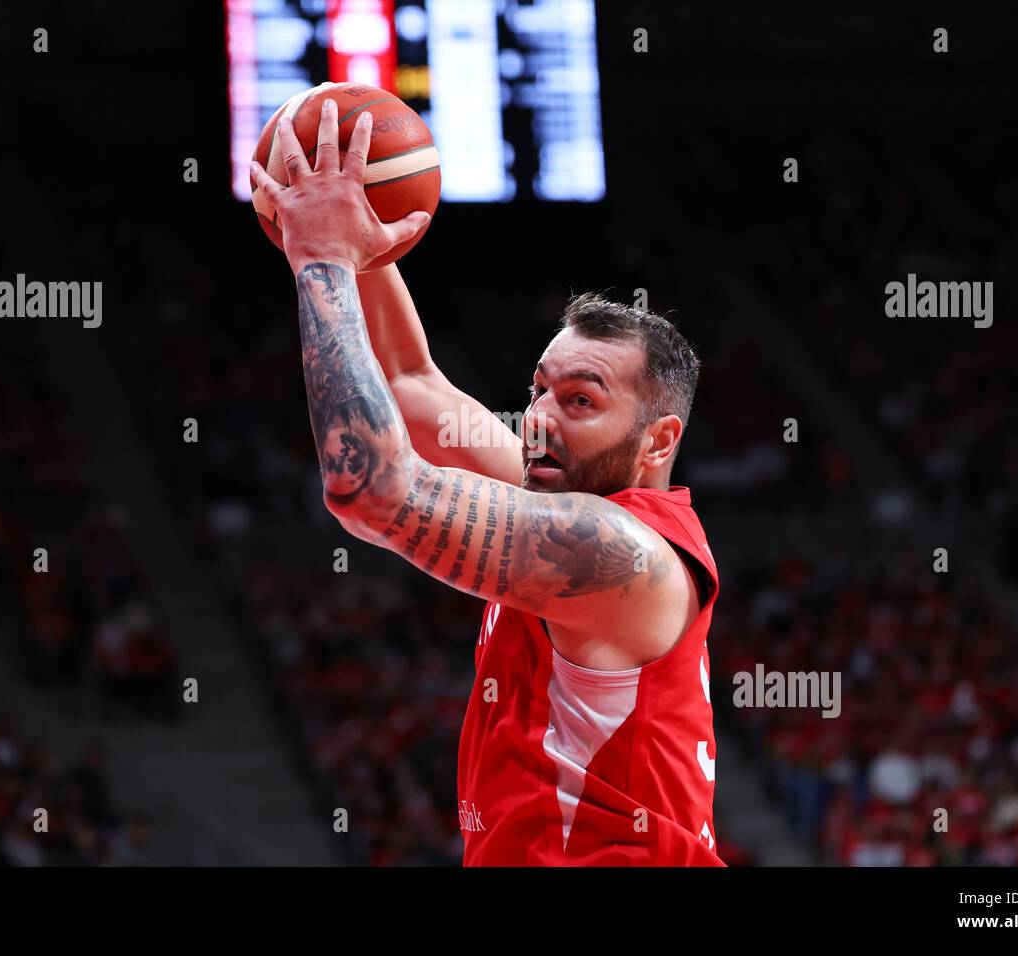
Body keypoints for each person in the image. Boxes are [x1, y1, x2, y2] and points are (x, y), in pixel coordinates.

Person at [249, 98, 723, 865]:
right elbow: (407, 382)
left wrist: (324, 265)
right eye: (539, 389)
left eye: (579, 402)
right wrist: (354, 226)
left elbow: (371, 487)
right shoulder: (568, 499)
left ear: (658, 441)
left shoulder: (622, 557)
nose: (538, 418)